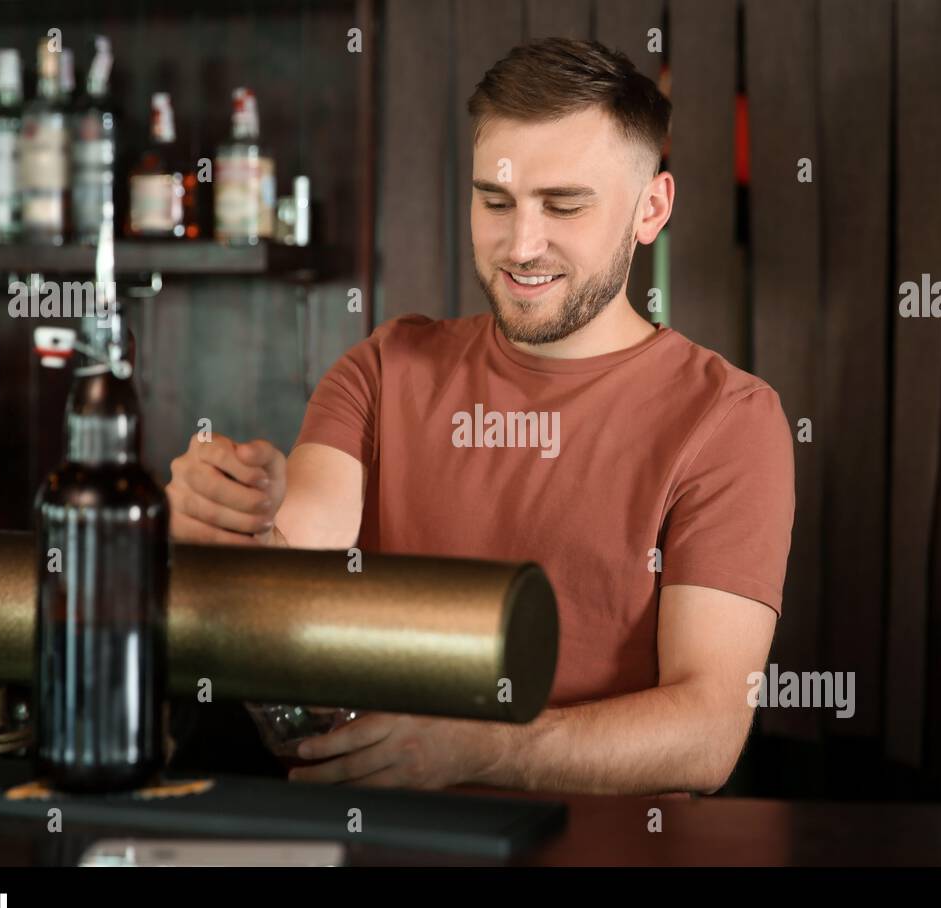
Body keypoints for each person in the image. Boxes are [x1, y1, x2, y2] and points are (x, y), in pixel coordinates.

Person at [165, 37, 794, 797]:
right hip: (382, 840)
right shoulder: (386, 366)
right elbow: (296, 557)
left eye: (564, 205)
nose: (521, 246)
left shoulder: (729, 420)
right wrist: (234, 518)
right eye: (495, 202)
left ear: (650, 208)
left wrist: (488, 749)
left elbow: (707, 730)